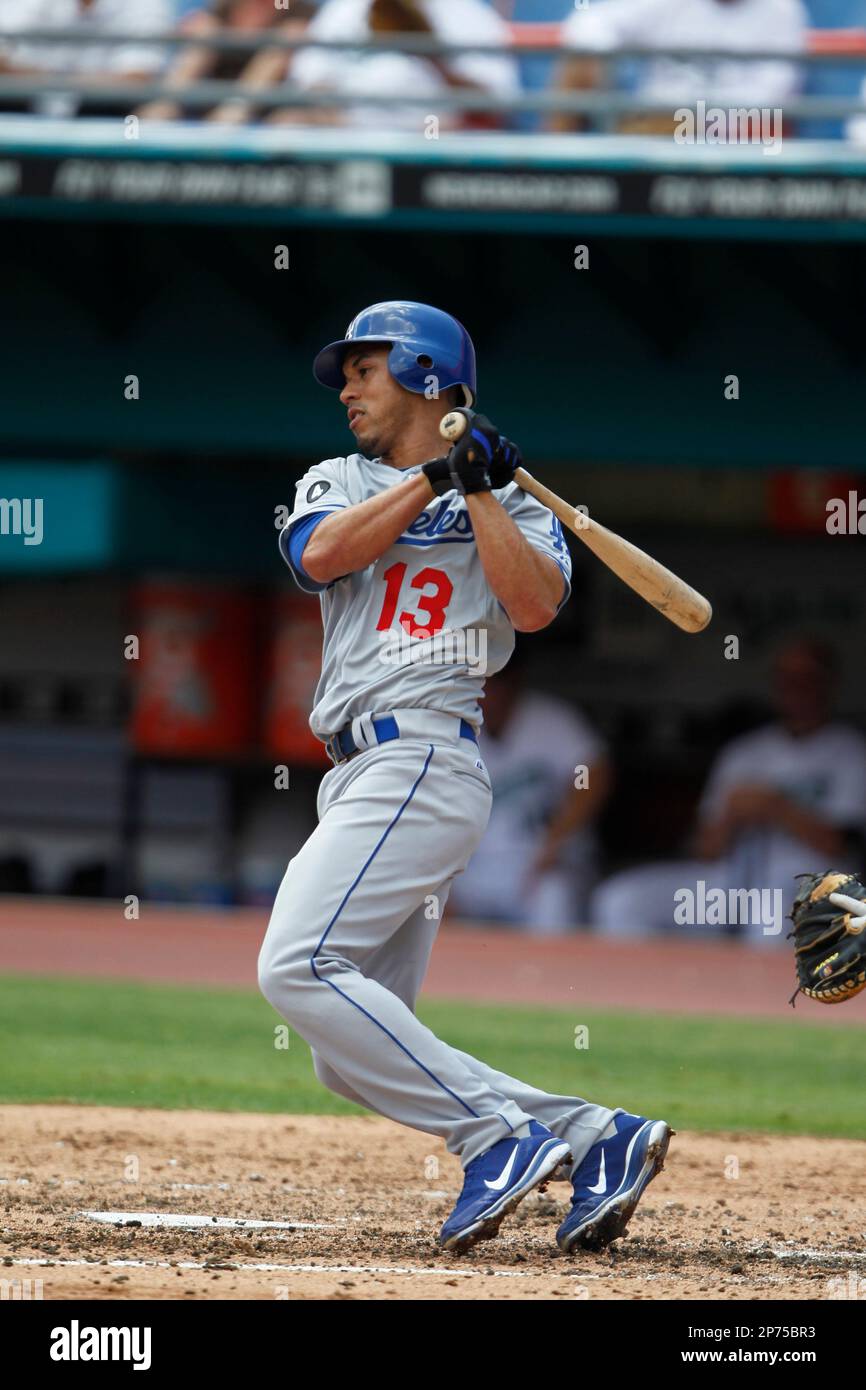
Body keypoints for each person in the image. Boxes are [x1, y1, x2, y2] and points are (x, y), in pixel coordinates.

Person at [258, 299, 671, 1256]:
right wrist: (437, 475)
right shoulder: (340, 477)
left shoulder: (516, 499)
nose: (349, 388)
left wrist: (482, 491)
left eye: (365, 368)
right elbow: (320, 556)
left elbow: (530, 608)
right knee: (348, 1052)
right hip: (360, 772)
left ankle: (494, 1137)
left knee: (296, 965)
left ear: (423, 372)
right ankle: (592, 1137)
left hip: (424, 753)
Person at [591, 637, 866, 944]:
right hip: (731, 885)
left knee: (769, 915)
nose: (795, 686)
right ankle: (660, 990)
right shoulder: (744, 752)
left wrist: (777, 807)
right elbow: (704, 850)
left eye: (807, 677)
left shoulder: (851, 752)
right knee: (620, 901)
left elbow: (842, 844)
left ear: (829, 683)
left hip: (812, 886)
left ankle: (752, 993)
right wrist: (729, 819)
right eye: (787, 676)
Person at [448, 649, 610, 933]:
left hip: (542, 864)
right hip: (479, 870)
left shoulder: (549, 720)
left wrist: (556, 839)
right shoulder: (456, 727)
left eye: (494, 681)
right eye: (478, 681)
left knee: (554, 898)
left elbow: (595, 772)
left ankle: (553, 978)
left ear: (514, 682)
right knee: (426, 899)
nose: (485, 691)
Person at [551, 0, 808, 135]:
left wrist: (694, 118)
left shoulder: (783, 10)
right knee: (580, 65)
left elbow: (773, 97)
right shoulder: (669, 3)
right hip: (654, 124)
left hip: (736, 131)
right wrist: (602, 61)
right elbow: (587, 22)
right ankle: (556, 177)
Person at [271, 0, 520, 132]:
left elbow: (499, 101)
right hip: (348, 127)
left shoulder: (466, 12)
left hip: (430, 131)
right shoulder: (347, 7)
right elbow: (309, 76)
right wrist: (335, 119)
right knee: (286, 122)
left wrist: (431, 56)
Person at [136, 0, 317, 126]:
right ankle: (162, 108)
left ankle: (233, 112)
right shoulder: (219, 12)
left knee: (285, 40)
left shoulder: (300, 15)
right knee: (205, 32)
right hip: (210, 93)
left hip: (266, 105)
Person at [0, 0, 172, 118]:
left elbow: (136, 80)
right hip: (25, 112)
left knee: (129, 120)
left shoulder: (145, 4)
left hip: (110, 118)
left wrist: (43, 79)